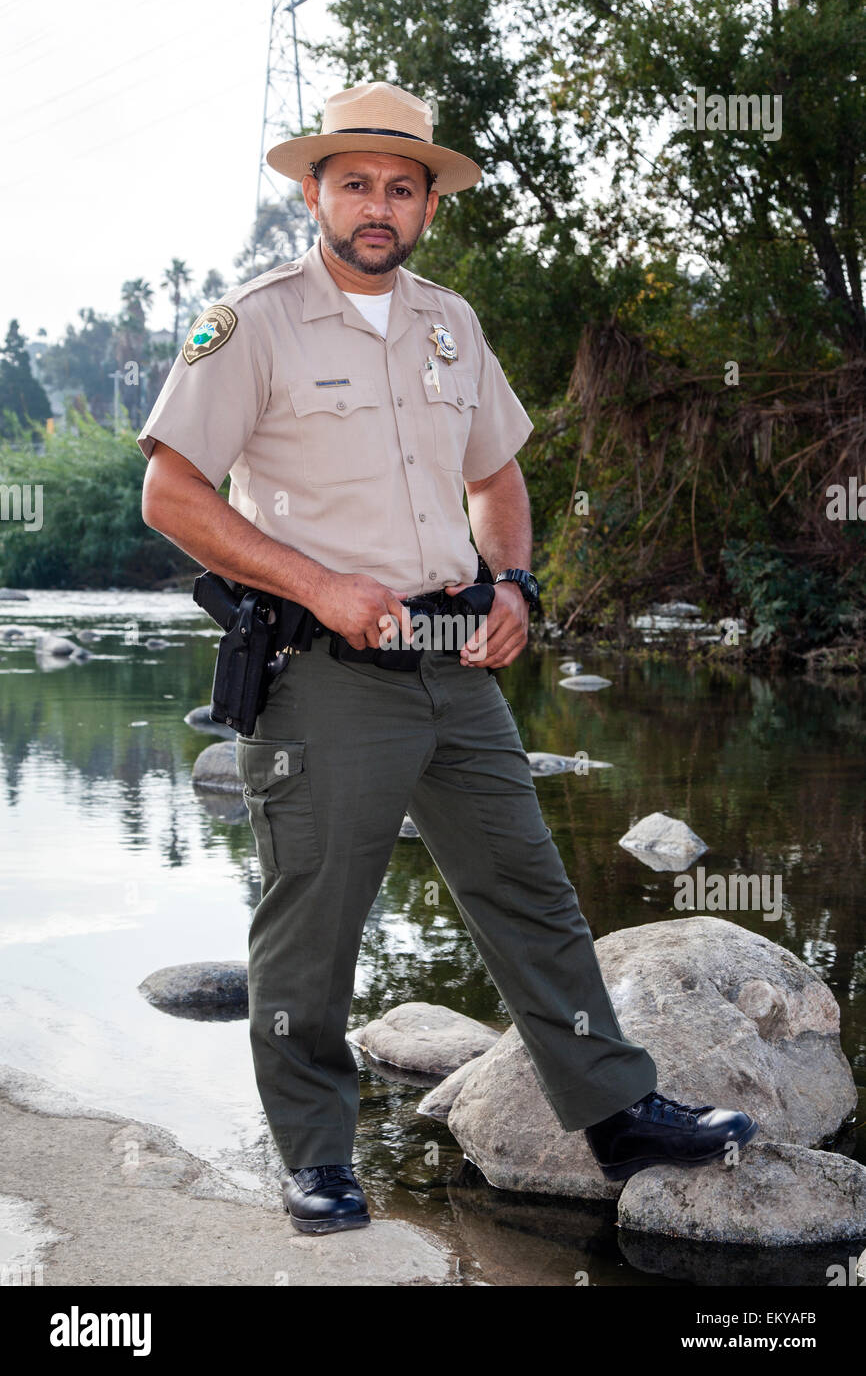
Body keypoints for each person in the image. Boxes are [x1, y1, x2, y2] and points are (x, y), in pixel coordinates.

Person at [138, 80, 758, 1236]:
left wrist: (513, 583)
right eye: (356, 182)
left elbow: (498, 475)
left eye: (402, 186)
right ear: (314, 192)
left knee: (530, 893)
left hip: (454, 666)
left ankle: (617, 1115)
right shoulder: (251, 322)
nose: (379, 204)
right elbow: (168, 490)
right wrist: (318, 581)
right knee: (313, 925)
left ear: (430, 204)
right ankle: (318, 1156)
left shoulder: (449, 324)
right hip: (322, 673)